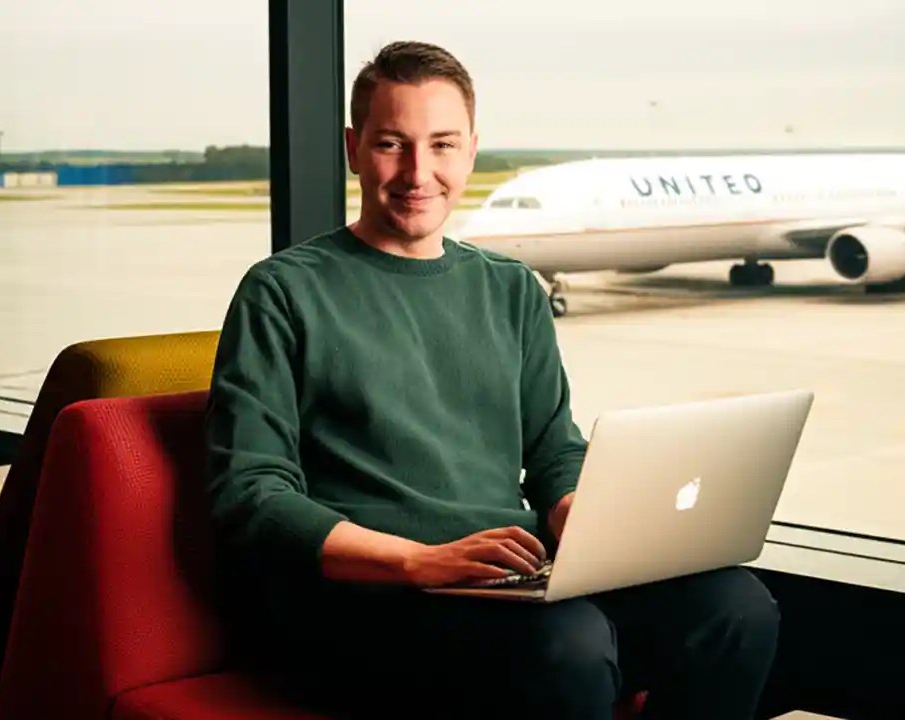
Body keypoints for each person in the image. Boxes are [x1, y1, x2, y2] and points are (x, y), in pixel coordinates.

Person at [204, 40, 780, 720]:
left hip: (506, 580)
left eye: (442, 145)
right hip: (369, 600)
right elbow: (250, 494)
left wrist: (586, 524)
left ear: (472, 151)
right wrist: (418, 562)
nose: (419, 172)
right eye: (393, 143)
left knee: (737, 610)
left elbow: (553, 451)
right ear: (354, 148)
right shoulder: (283, 291)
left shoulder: (510, 288)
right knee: (571, 645)